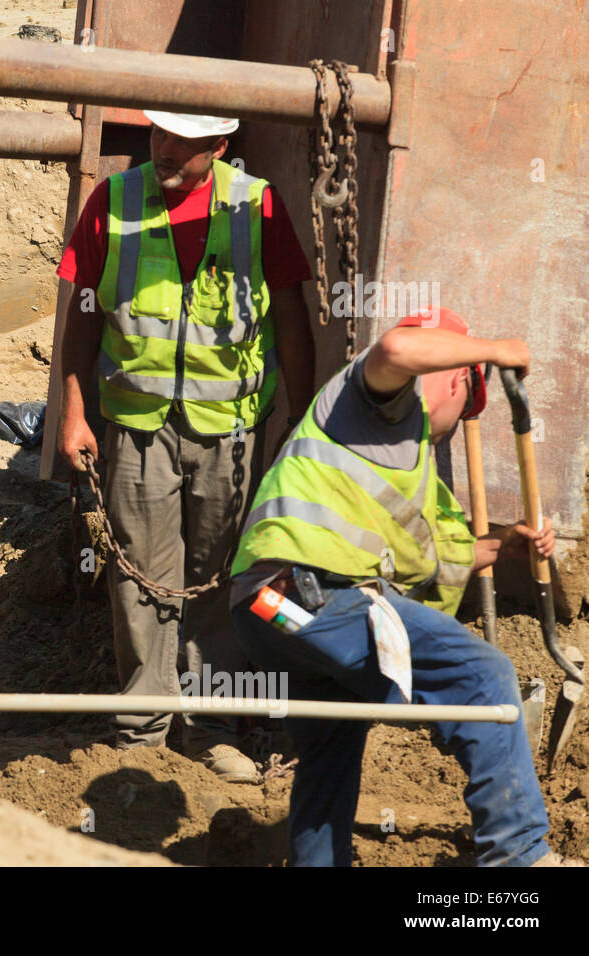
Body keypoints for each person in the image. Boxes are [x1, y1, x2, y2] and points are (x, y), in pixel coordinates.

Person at [230, 307, 578, 866]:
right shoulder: (381, 398)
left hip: (267, 609)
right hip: (304, 595)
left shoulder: (403, 458)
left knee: (331, 753)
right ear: (458, 377)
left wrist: (505, 544)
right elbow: (396, 350)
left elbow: (439, 560)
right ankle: (519, 859)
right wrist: (493, 347)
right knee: (484, 675)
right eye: (470, 398)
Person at [56, 110, 316, 781]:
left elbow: (289, 309)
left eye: (183, 142)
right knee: (139, 577)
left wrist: (297, 415)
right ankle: (142, 733)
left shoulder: (255, 205)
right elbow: (83, 314)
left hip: (230, 432)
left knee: (219, 577)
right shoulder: (114, 201)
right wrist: (74, 414)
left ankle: (209, 727)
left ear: (218, 147)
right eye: (158, 135)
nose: (165, 150)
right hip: (138, 424)